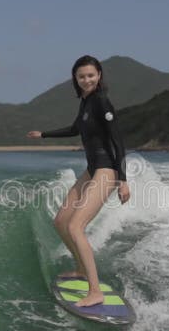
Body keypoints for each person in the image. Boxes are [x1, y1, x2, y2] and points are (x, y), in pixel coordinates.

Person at [26, 55, 130, 307]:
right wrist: (44, 134)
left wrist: (123, 180)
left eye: (91, 75)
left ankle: (95, 291)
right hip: (92, 170)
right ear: (76, 78)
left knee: (75, 226)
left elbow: (118, 142)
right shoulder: (85, 102)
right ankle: (81, 270)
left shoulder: (102, 102)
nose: (87, 80)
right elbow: (75, 129)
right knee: (61, 220)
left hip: (107, 170)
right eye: (82, 76)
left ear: (99, 75)